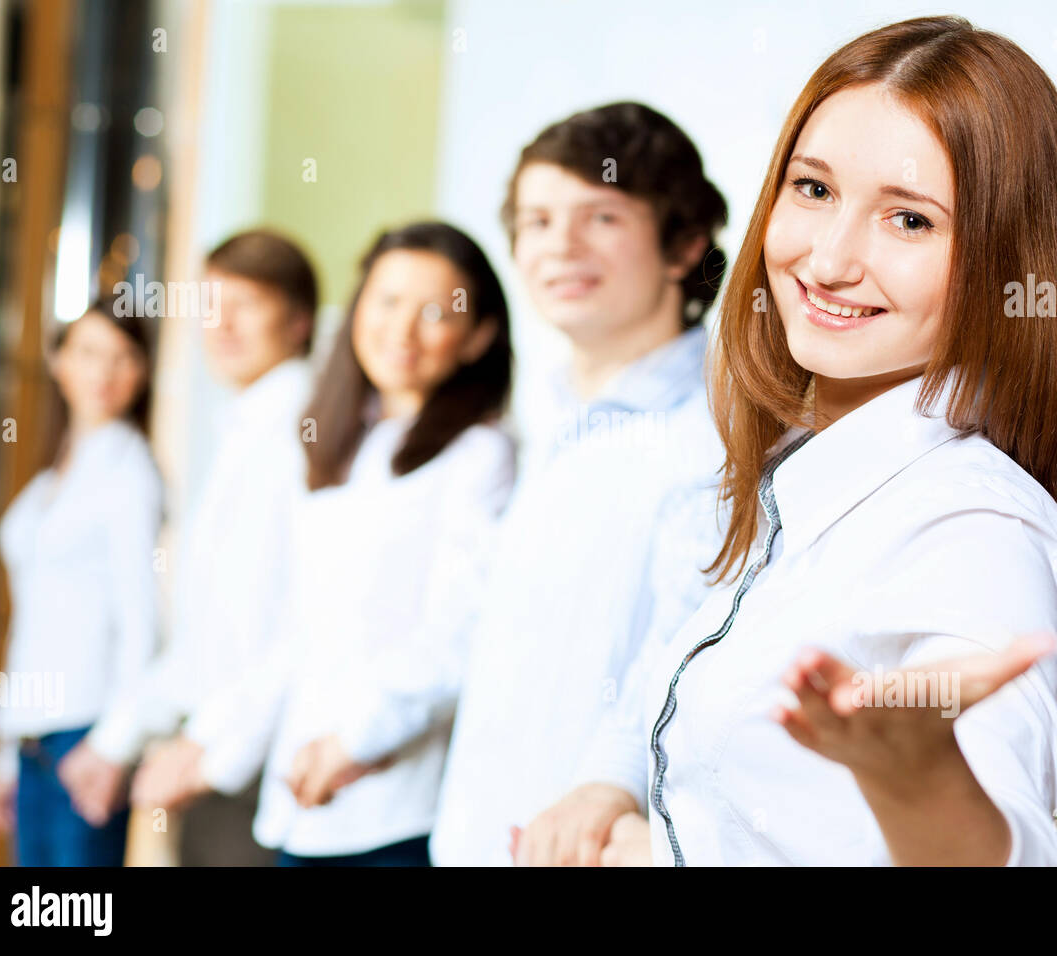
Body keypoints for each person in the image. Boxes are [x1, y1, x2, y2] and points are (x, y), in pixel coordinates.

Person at [529, 16, 1057, 866]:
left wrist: (925, 787)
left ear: (1004, 264)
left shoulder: (976, 527)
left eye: (909, 221)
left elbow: (1005, 847)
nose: (827, 260)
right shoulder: (797, 469)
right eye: (813, 190)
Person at [288, 102, 730, 866]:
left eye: (601, 217)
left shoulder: (712, 434)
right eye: (536, 220)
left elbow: (686, 654)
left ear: (684, 245)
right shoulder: (558, 422)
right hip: (473, 836)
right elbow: (475, 616)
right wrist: (361, 731)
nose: (559, 244)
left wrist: (607, 786)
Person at [133, 222, 515, 866]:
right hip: (300, 802)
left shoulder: (480, 455)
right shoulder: (347, 447)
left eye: (434, 311)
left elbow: (459, 629)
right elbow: (301, 628)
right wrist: (215, 745)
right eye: (386, 301)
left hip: (390, 811)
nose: (401, 329)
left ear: (478, 336)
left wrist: (355, 740)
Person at [101, 229, 318, 865]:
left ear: (299, 321)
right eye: (209, 304)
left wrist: (209, 744)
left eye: (245, 305)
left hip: (247, 758)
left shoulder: (299, 429)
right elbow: (210, 627)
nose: (219, 324)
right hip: (210, 747)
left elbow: (299, 617)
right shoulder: (242, 428)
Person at [0, 298, 162, 866]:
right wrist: (8, 757)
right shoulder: (52, 474)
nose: (103, 373)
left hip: (85, 735)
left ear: (143, 371)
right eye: (87, 353)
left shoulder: (131, 474)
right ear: (58, 361)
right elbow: (35, 622)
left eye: (122, 356)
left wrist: (113, 747)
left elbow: (143, 624)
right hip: (34, 737)